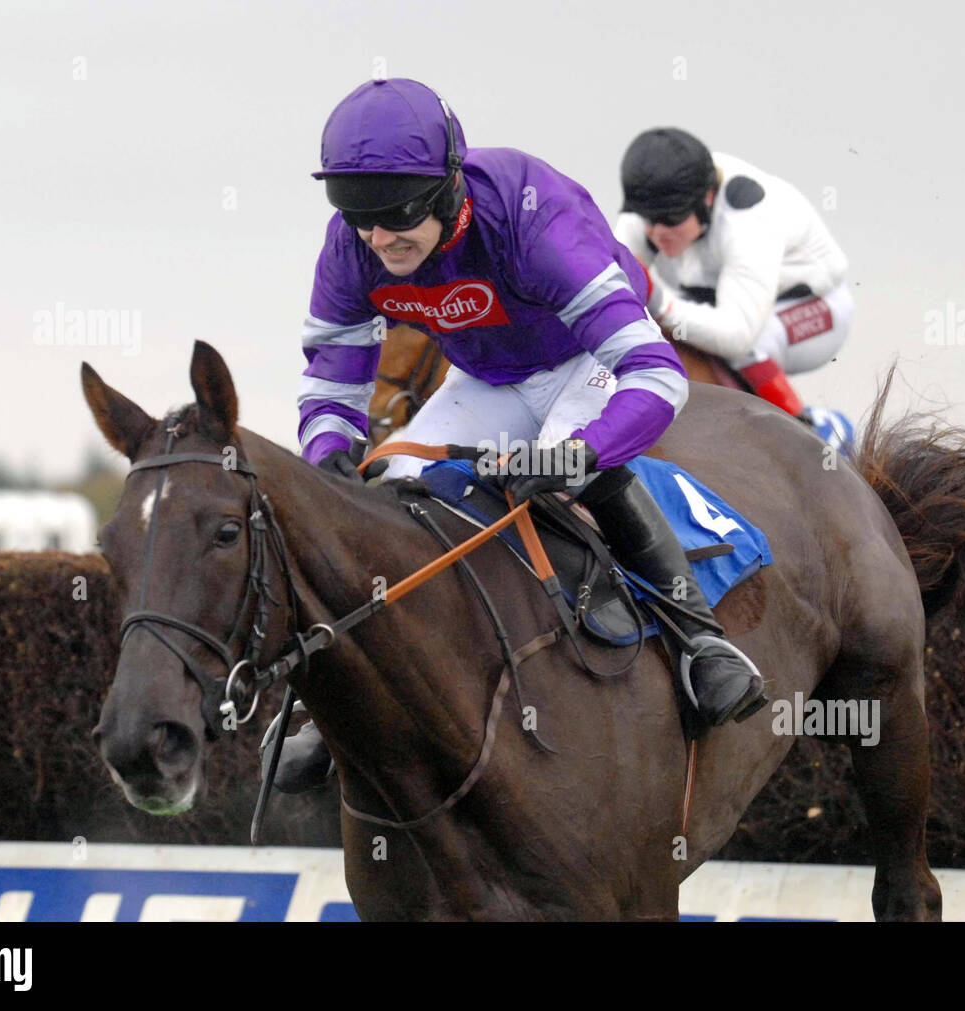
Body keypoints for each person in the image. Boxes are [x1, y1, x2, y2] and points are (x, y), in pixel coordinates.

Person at [276, 79, 766, 791]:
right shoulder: (353, 244)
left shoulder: (533, 220)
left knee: (564, 484)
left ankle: (702, 644)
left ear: (448, 189)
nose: (378, 240)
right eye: (358, 219)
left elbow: (657, 374)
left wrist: (579, 452)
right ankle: (338, 703)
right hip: (485, 376)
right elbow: (331, 385)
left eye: (395, 217)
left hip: (586, 360)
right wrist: (333, 457)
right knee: (386, 497)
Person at [613, 128, 852, 419]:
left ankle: (808, 432)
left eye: (672, 218)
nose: (657, 232)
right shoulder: (648, 205)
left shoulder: (748, 220)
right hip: (720, 299)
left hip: (815, 308)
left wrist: (660, 303)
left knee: (747, 348)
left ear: (709, 197)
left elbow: (736, 336)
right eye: (649, 220)